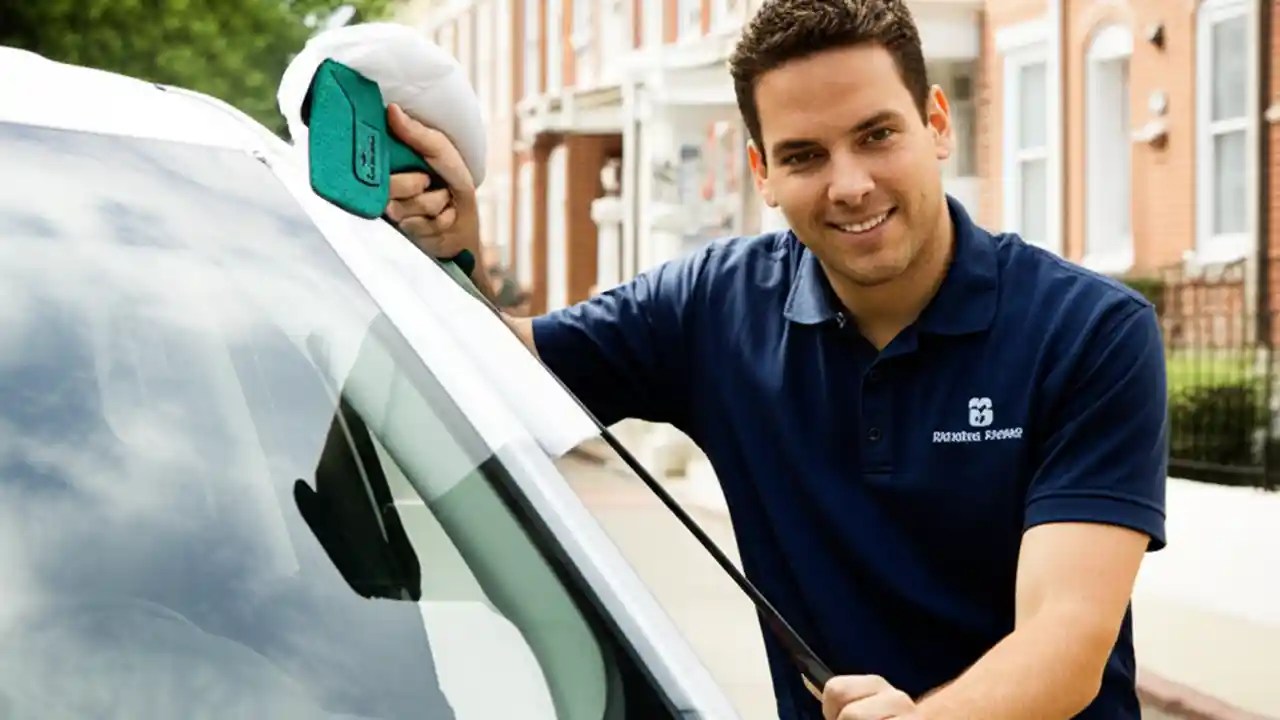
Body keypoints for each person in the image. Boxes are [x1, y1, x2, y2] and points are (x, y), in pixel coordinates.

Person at [380, 1, 1169, 718]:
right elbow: (494, 367)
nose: (850, 185)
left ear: (936, 123)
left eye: (877, 135)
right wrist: (452, 253)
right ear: (762, 173)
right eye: (804, 156)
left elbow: (1066, 646)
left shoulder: (1091, 332)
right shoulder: (711, 307)